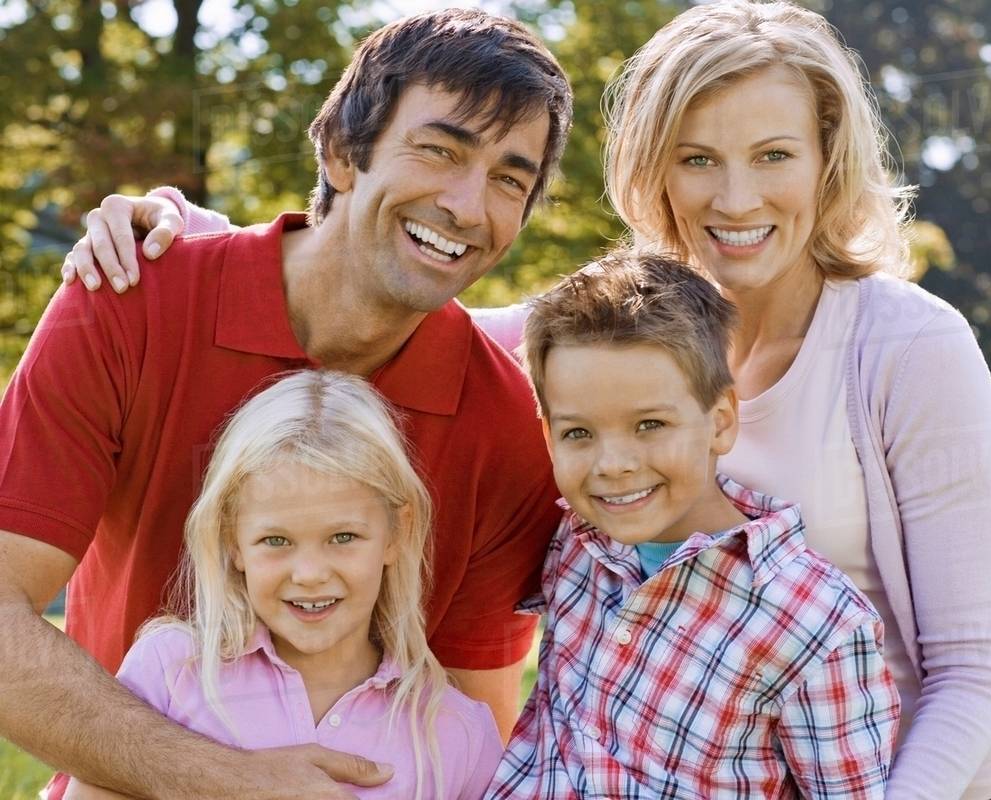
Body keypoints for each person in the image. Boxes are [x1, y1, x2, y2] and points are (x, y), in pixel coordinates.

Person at [63, 2, 991, 799]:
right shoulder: (598, 336)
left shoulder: (905, 346)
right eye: (697, 159)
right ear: (651, 171)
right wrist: (186, 230)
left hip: (970, 776)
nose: (736, 197)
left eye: (774, 156)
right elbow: (408, 306)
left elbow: (970, 670)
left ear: (826, 163)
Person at [0, 8, 571, 800]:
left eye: (509, 177)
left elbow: (464, 732)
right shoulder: (128, 301)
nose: (469, 207)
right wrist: (223, 781)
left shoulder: (506, 427)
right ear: (341, 151)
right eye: (440, 150)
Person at [490, 250, 898, 799]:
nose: (613, 465)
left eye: (650, 425)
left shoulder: (815, 623)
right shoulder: (574, 546)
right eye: (579, 434)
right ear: (549, 438)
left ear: (721, 422)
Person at [64, 370, 504, 800]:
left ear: (397, 533)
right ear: (231, 540)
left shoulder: (455, 732)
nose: (309, 574)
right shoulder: (171, 672)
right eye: (276, 540)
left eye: (343, 537)